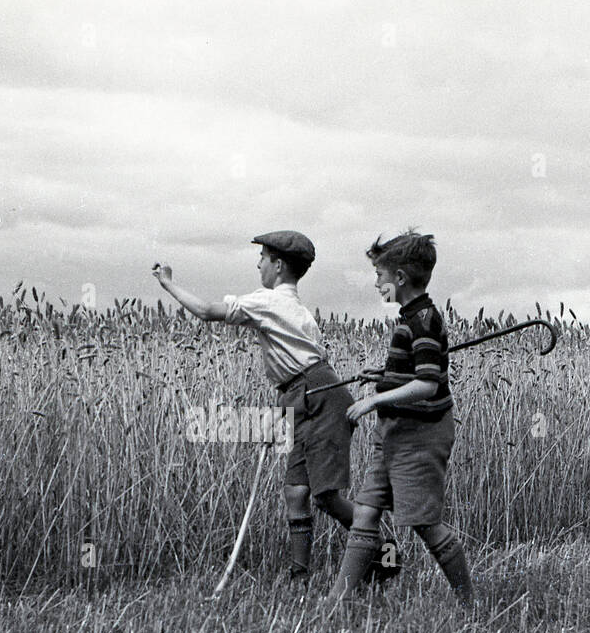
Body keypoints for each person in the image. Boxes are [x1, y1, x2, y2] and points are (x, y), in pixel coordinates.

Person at [153, 230, 396, 582]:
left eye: (263, 257)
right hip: (303, 394)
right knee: (295, 491)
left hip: (319, 396)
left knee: (326, 496)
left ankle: (384, 553)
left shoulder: (268, 302)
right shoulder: (297, 310)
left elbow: (207, 311)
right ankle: (299, 576)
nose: (258, 263)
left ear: (278, 265)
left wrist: (167, 284)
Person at [331, 230, 473, 604]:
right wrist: (383, 377)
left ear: (400, 278)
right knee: (365, 512)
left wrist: (372, 402)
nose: (377, 282)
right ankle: (337, 602)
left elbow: (427, 385)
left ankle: (469, 605)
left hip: (420, 436)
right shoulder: (410, 318)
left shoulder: (423, 321)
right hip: (393, 433)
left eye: (380, 274)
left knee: (425, 524)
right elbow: (413, 373)